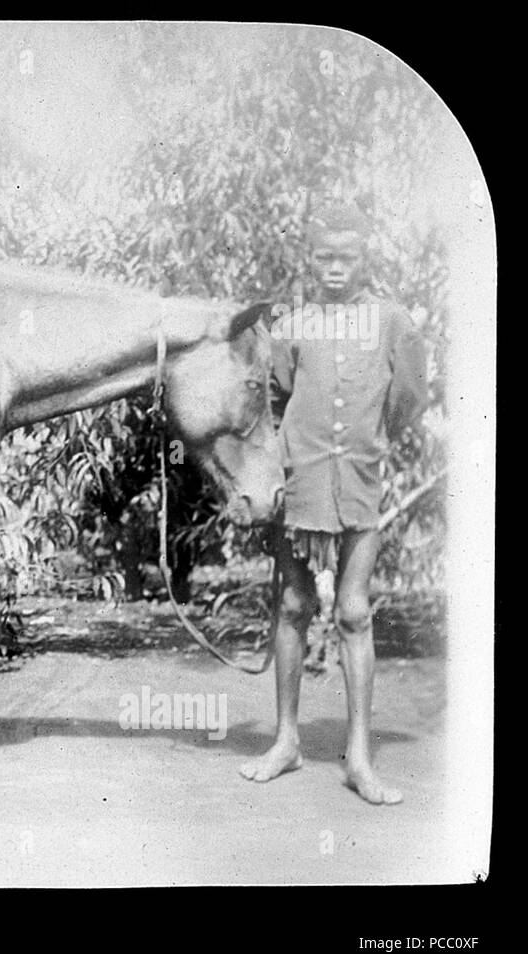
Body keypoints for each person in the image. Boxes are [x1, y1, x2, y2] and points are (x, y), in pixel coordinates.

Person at [240, 202, 427, 805]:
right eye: (325, 257)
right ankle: (287, 741)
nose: (336, 269)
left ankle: (361, 759)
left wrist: (371, 447)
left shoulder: (393, 320)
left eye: (347, 257)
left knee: (353, 612)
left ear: (364, 257)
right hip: (302, 482)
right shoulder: (294, 324)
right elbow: (281, 395)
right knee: (292, 604)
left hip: (360, 481)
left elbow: (408, 399)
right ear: (310, 258)